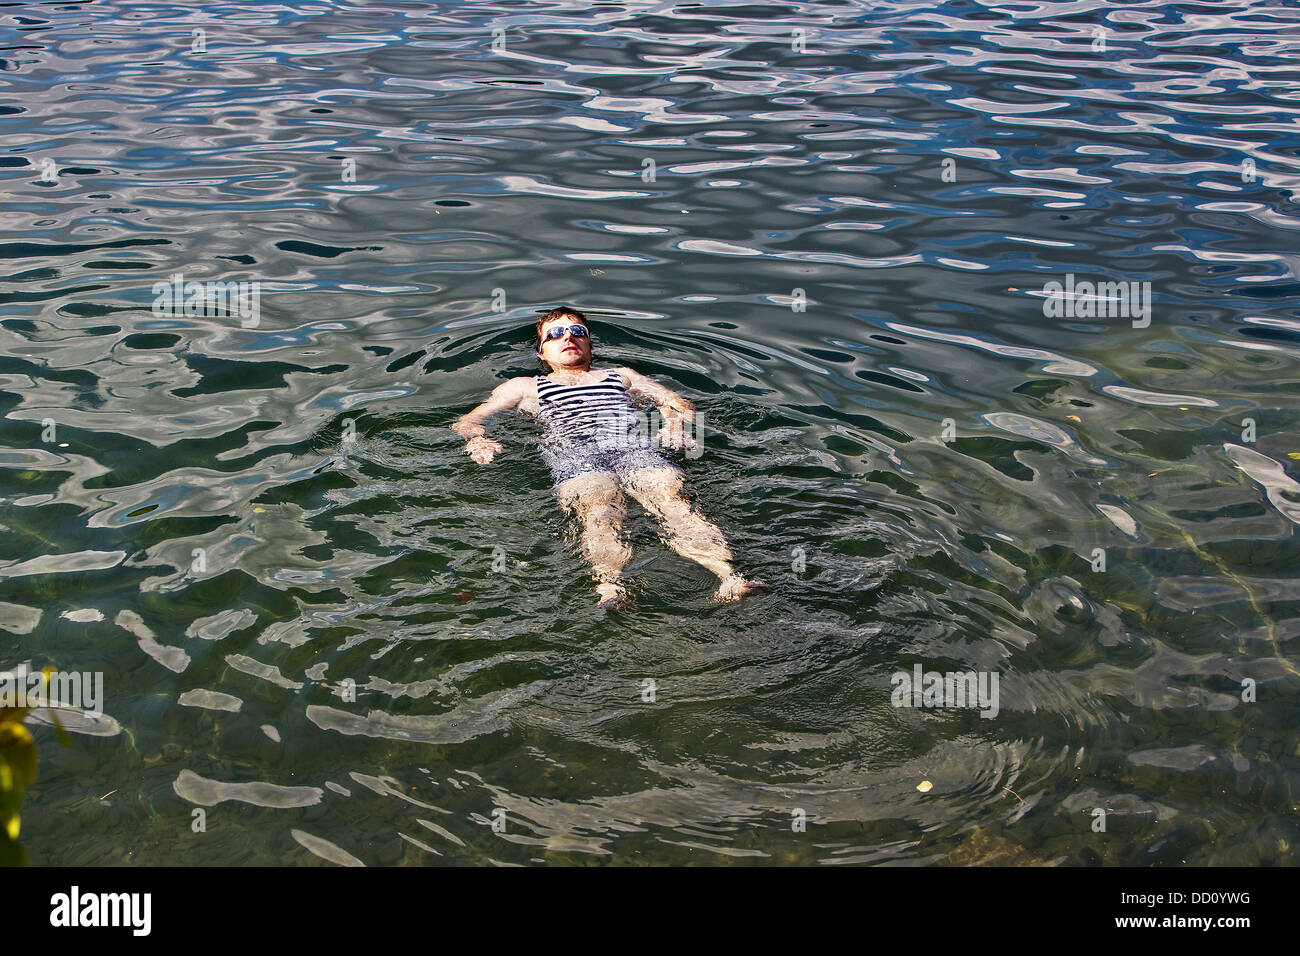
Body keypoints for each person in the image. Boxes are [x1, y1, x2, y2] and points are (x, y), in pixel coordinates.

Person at [452, 306, 772, 611]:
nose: (568, 337)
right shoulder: (526, 386)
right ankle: (610, 588)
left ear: (590, 344)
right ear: (541, 352)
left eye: (577, 331)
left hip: (634, 449)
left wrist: (674, 425)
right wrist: (478, 441)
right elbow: (468, 421)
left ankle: (729, 578)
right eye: (556, 334)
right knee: (598, 507)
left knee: (670, 497)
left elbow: (675, 401)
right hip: (577, 455)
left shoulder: (621, 376)